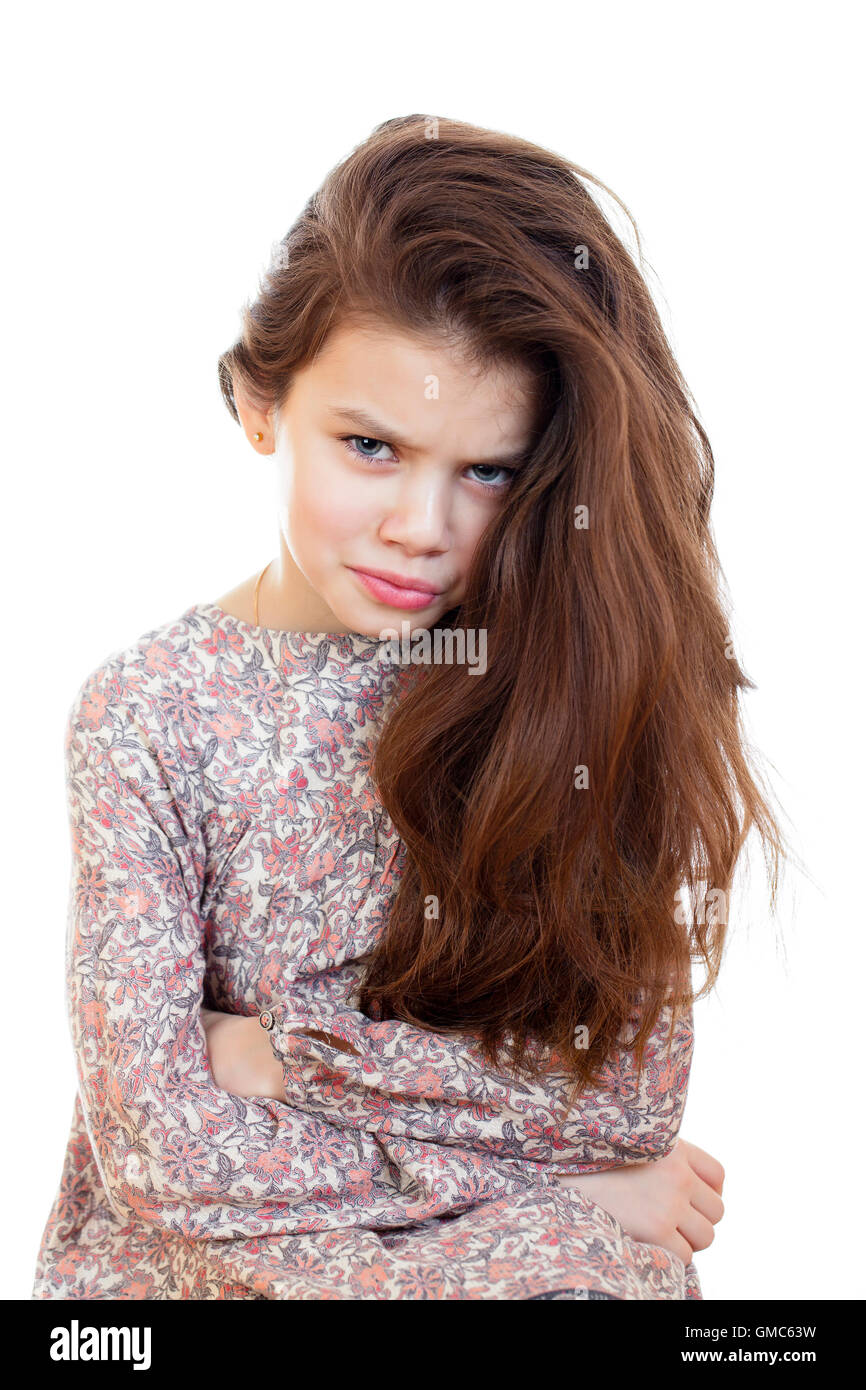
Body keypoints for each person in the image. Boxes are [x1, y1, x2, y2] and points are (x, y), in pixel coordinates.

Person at [33, 114, 784, 1301]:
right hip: (224, 1270)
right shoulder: (148, 716)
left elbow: (626, 1109)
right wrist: (553, 1192)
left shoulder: (569, 684)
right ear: (259, 403)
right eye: (371, 446)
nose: (420, 529)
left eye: (485, 471)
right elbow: (160, 1148)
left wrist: (277, 1060)